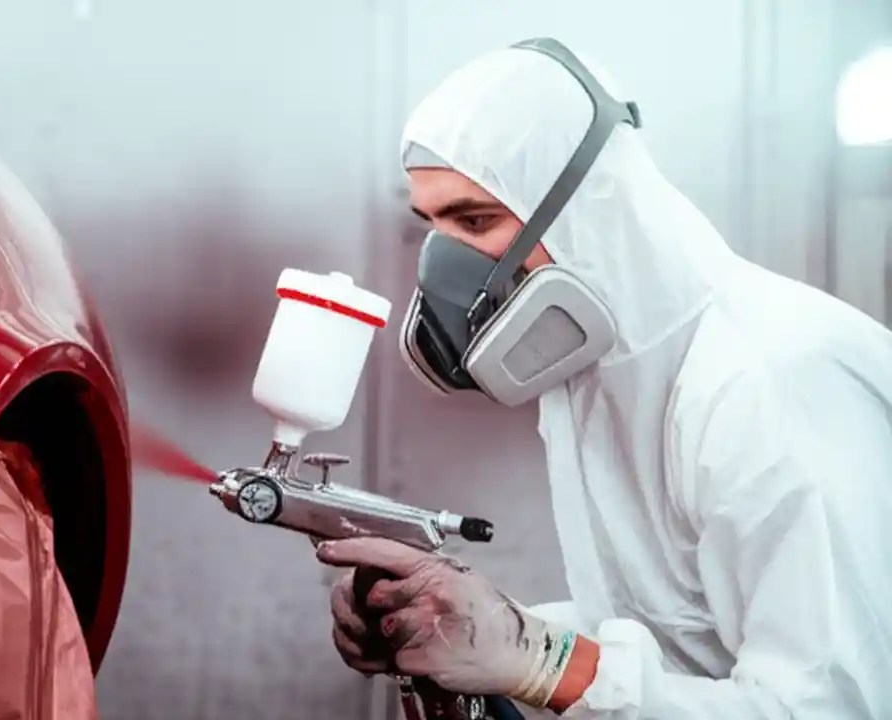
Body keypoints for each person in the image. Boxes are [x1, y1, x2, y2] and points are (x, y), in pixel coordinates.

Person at [319, 37, 892, 718]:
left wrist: (540, 660)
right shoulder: (598, 377)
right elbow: (673, 638)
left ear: (589, 212)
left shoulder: (768, 376)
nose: (448, 264)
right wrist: (460, 625)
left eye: (476, 219)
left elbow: (833, 705)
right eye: (433, 226)